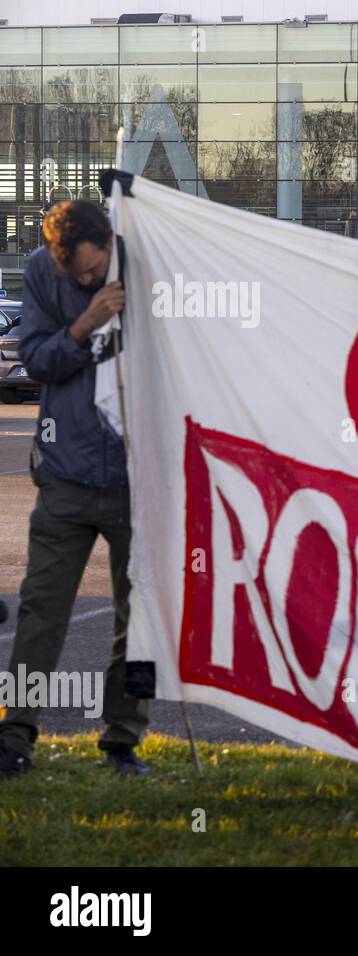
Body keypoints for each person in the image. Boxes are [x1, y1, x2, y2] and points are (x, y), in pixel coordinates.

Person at [0, 199, 150, 778]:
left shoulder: (148, 265)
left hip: (139, 474)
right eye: (74, 276)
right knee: (42, 608)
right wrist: (86, 323)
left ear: (110, 244)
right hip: (65, 471)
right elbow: (36, 361)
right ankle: (15, 736)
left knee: (137, 616)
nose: (85, 281)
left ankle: (123, 739)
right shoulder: (43, 269)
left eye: (92, 273)